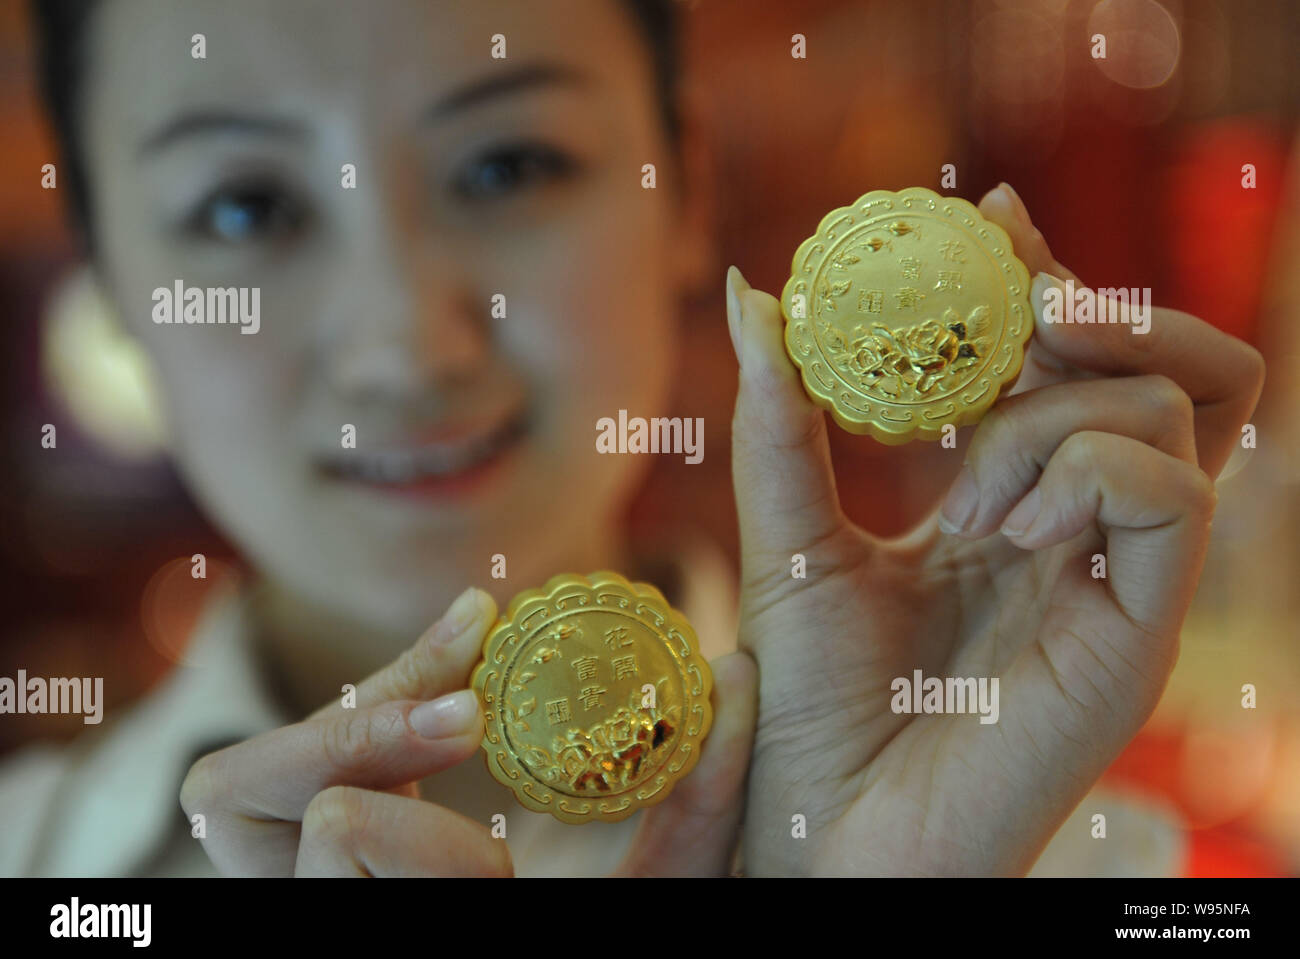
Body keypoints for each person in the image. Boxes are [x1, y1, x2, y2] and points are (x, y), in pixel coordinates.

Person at [5, 0, 1263, 876]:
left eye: (505, 166)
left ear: (682, 192)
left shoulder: (1068, 856)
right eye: (244, 204)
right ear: (112, 284)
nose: (406, 345)